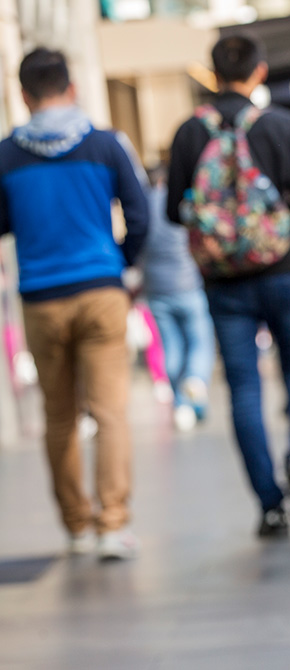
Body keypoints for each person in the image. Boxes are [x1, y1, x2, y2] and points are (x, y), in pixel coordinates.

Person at [166, 35, 290, 538]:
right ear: (259, 71)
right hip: (282, 271)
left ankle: (269, 504)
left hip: (223, 283)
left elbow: (175, 209)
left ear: (212, 75)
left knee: (243, 388)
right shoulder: (280, 125)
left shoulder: (190, 132)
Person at [0, 48, 149, 559]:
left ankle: (77, 526)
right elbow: (141, 212)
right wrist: (120, 262)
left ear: (22, 95)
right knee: (110, 412)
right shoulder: (105, 145)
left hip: (41, 298)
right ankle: (113, 524)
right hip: (101, 290)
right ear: (72, 87)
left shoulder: (6, 155)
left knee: (59, 416)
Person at [139, 172, 216, 431]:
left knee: (170, 346)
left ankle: (183, 403)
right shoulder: (181, 202)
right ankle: (194, 381)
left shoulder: (142, 205)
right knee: (199, 342)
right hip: (188, 283)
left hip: (157, 288)